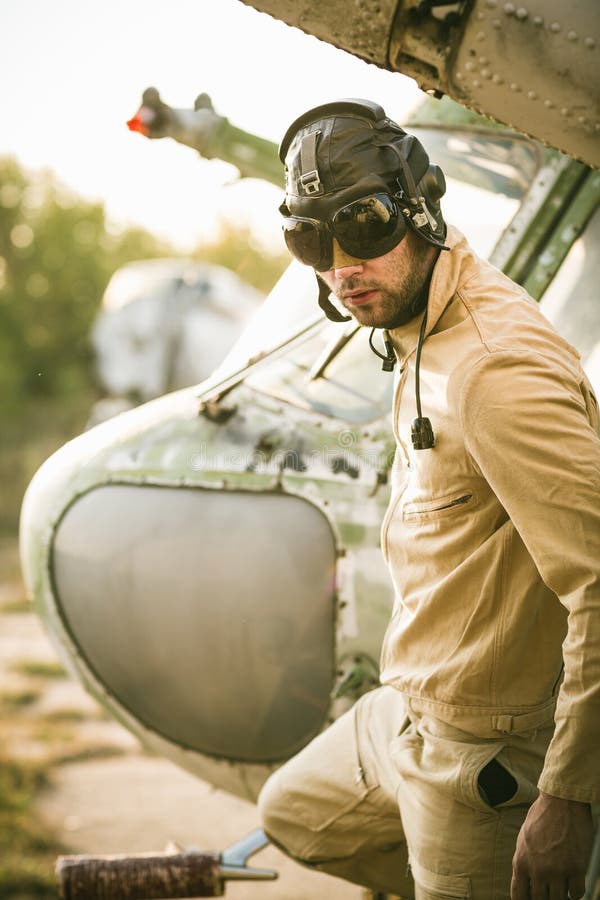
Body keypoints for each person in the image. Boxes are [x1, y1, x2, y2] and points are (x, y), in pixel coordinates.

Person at [257, 100, 599, 899]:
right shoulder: (413, 320)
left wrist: (569, 796)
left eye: (366, 225)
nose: (342, 267)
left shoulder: (493, 370)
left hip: (488, 754)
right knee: (295, 812)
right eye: (311, 238)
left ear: (422, 207)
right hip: (410, 708)